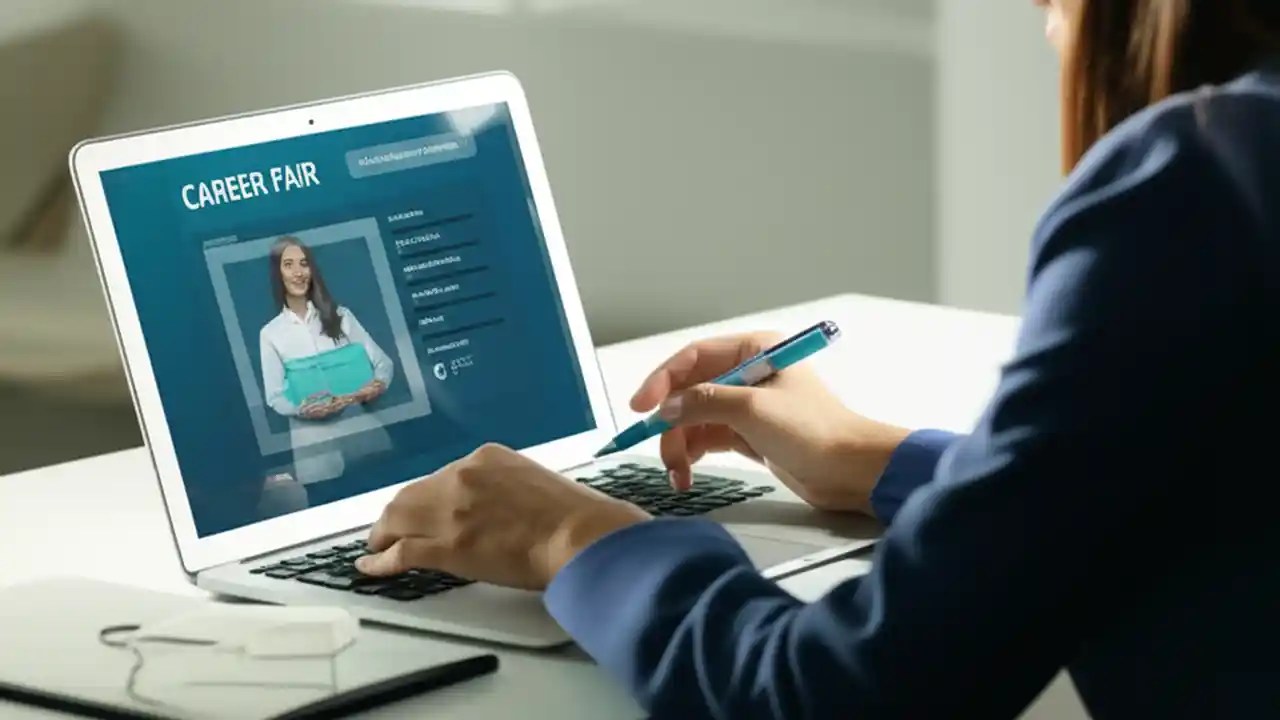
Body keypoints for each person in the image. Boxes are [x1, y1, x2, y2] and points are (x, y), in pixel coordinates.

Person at [356, 1, 1279, 717]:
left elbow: (835, 696)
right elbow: (1224, 477)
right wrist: (871, 458)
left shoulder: (1198, 187)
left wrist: (572, 540)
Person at [259, 235, 395, 487]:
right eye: (288, 265)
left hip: (364, 440)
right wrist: (302, 409)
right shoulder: (270, 334)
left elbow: (383, 364)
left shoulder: (341, 316)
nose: (298, 272)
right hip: (315, 451)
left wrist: (377, 385)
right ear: (277, 273)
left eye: (304, 263)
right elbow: (275, 396)